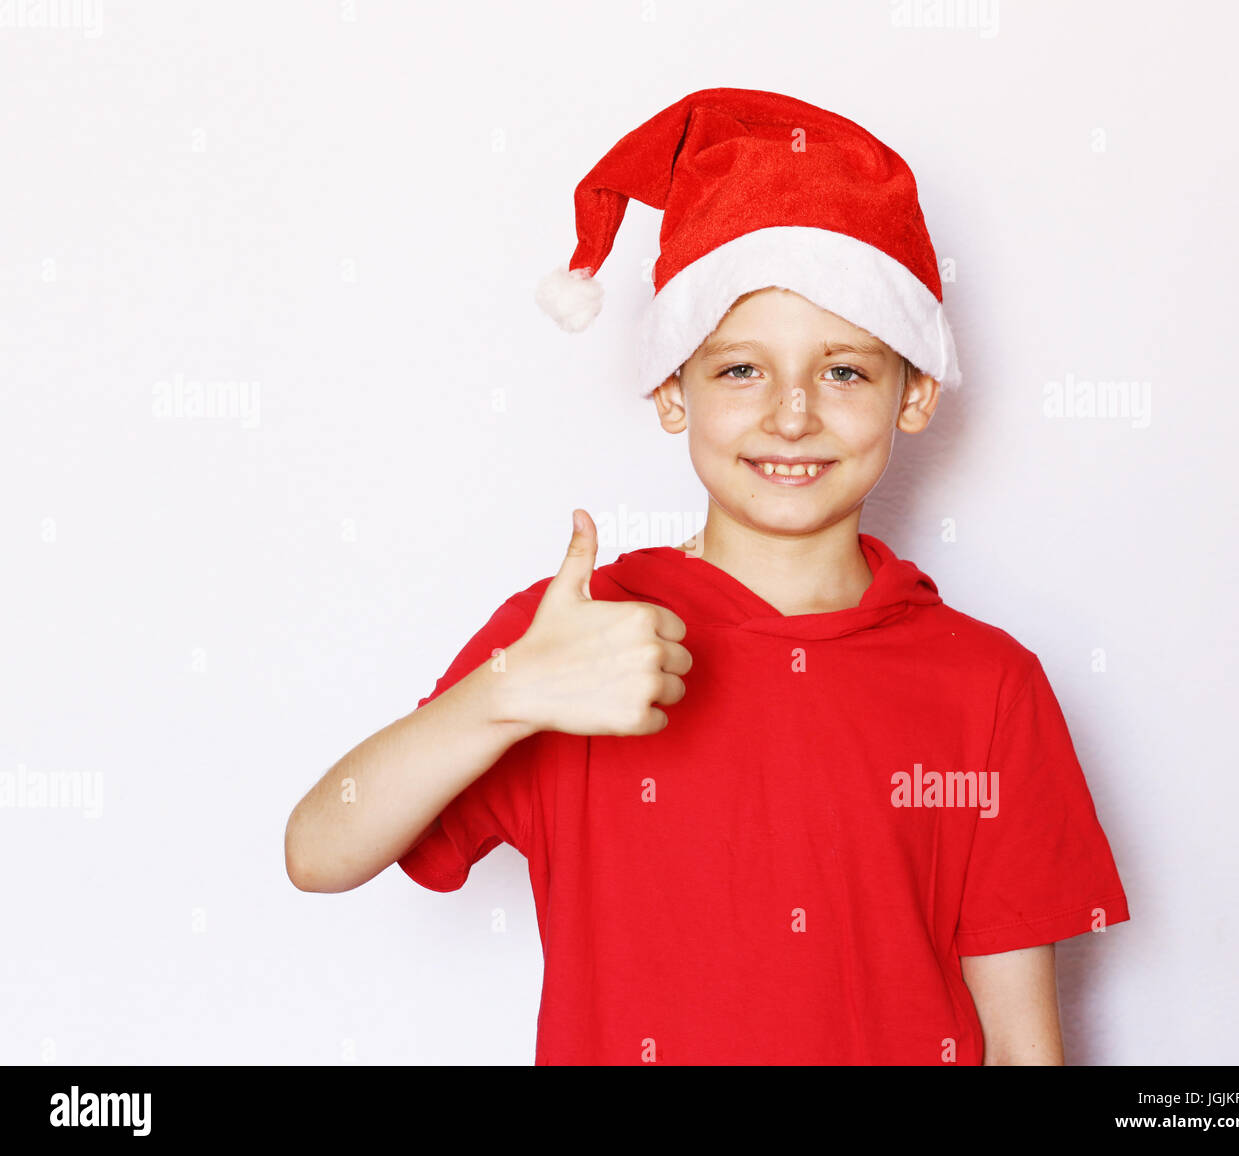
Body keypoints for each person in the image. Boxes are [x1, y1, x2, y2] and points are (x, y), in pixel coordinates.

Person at [284, 87, 1130, 1066]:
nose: (791, 415)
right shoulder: (576, 638)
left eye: (844, 370)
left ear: (917, 392)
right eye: (740, 370)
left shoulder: (989, 686)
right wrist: (507, 694)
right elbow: (318, 848)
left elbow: (1025, 1042)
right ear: (668, 392)